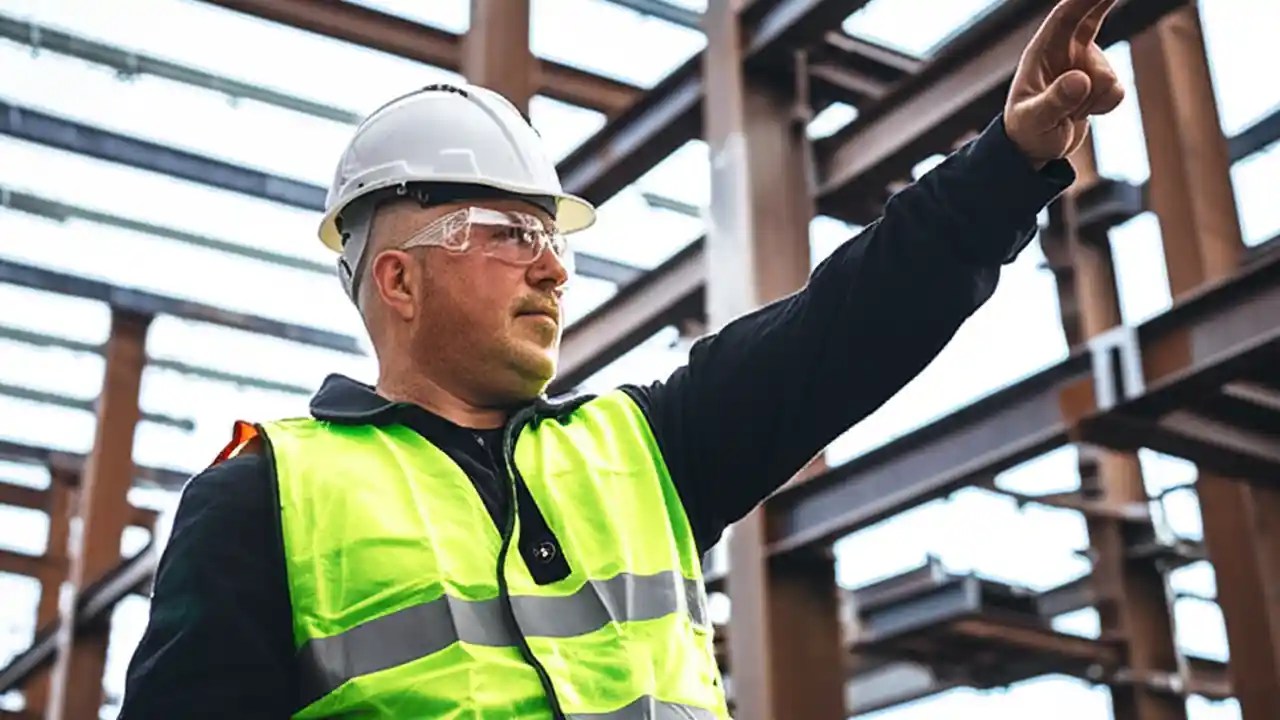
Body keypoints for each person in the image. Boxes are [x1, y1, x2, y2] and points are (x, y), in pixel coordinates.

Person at [118, 0, 1124, 717]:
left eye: (555, 239)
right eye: (507, 233)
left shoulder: (646, 446)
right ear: (397, 280)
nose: (551, 270)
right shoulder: (266, 499)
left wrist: (1004, 161)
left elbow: (850, 321)